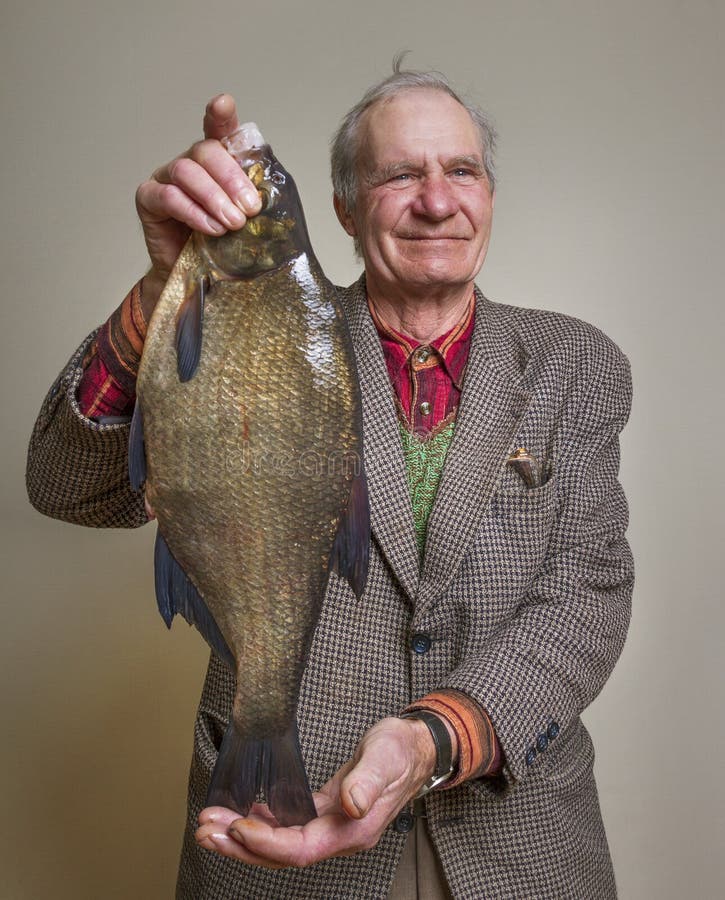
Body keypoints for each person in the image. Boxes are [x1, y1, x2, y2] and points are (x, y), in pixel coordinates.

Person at [26, 66, 634, 899]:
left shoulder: (577, 365)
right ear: (344, 209)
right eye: (398, 175)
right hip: (271, 829)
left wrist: (435, 740)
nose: (435, 200)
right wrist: (159, 298)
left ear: (488, 193)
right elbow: (68, 488)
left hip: (517, 848)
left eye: (460, 170)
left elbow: (586, 594)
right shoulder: (251, 325)